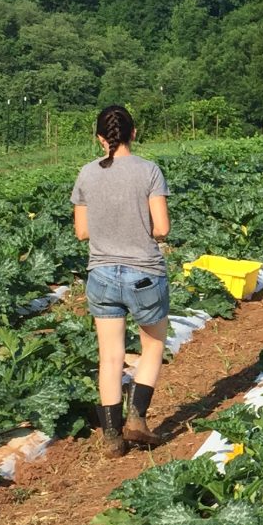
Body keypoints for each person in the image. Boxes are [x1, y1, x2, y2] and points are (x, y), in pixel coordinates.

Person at [71, 105, 171, 452]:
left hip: (100, 273)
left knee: (110, 356)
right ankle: (137, 419)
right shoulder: (149, 171)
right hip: (143, 272)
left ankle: (111, 436)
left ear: (100, 139)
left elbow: (82, 232)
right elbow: (162, 229)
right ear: (134, 133)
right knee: (153, 344)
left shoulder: (86, 174)